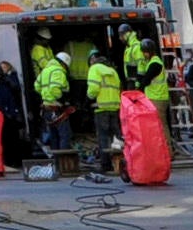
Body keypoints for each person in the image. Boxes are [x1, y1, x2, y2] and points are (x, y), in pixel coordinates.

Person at [79, 45, 124, 177]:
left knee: (103, 137)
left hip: (101, 108)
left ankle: (106, 165)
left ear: (92, 59)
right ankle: (121, 162)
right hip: (114, 108)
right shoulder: (112, 71)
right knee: (116, 137)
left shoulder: (94, 68)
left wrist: (87, 101)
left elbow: (93, 89)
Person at [30, 40, 69, 166]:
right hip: (56, 107)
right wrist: (60, 99)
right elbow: (55, 89)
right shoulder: (58, 71)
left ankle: (56, 162)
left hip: (47, 108)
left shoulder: (45, 70)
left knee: (53, 136)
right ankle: (63, 162)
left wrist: (45, 95)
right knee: (64, 134)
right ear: (63, 63)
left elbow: (36, 86)